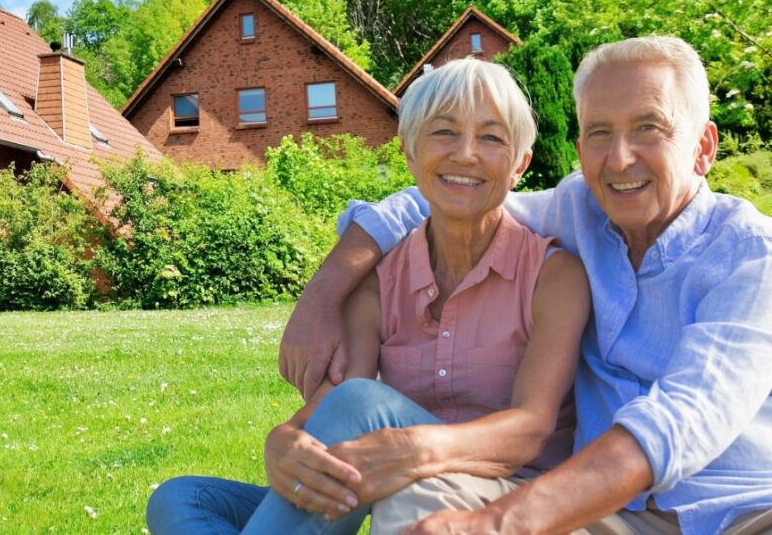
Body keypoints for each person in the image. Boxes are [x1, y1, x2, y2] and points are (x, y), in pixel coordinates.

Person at [281, 36, 772, 535]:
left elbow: (686, 418)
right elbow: (444, 193)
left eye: (649, 128)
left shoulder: (752, 255)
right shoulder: (580, 209)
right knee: (425, 490)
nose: (620, 159)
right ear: (581, 151)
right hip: (610, 516)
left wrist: (498, 523)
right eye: (600, 133)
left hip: (742, 513)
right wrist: (319, 298)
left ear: (703, 147)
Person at [148, 58, 591, 534]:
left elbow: (530, 430)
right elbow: (332, 407)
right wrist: (284, 440)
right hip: (395, 488)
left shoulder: (555, 275)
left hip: (509, 501)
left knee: (364, 406)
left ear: (519, 165)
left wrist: (405, 449)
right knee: (181, 499)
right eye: (444, 133)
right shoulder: (380, 281)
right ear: (409, 153)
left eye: (491, 138)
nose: (466, 154)